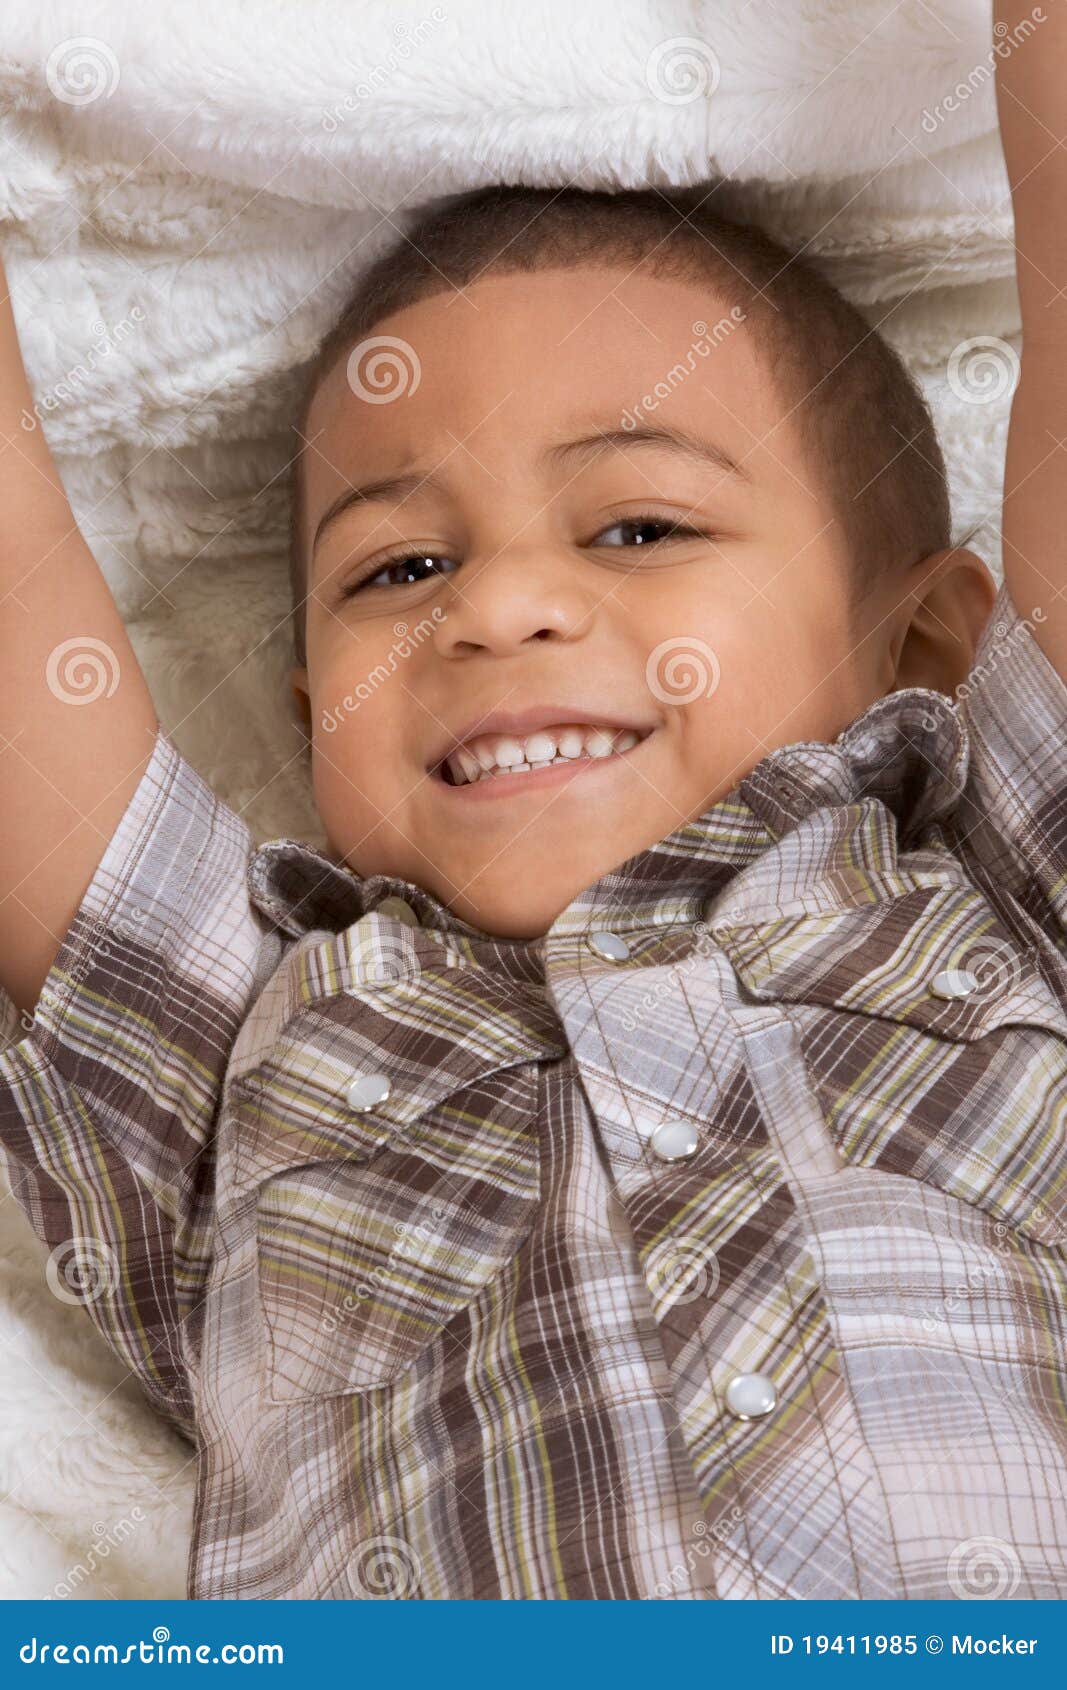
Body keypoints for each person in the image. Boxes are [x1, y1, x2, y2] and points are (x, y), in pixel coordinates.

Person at [0, 0, 1064, 1599]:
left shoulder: (1003, 893)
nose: (494, 608)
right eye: (398, 566)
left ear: (918, 643)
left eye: (639, 527)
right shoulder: (254, 1030)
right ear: (311, 713)